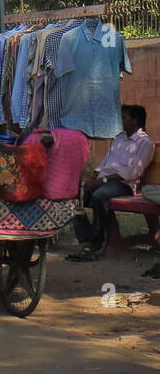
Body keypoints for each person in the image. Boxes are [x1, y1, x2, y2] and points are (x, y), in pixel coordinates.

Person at [68, 105, 153, 263]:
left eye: (124, 118)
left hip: (123, 184)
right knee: (73, 196)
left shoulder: (144, 143)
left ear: (135, 121)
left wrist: (103, 180)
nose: (120, 121)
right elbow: (106, 162)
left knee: (100, 196)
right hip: (104, 180)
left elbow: (132, 173)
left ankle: (95, 243)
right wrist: (94, 176)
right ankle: (86, 238)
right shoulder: (119, 138)